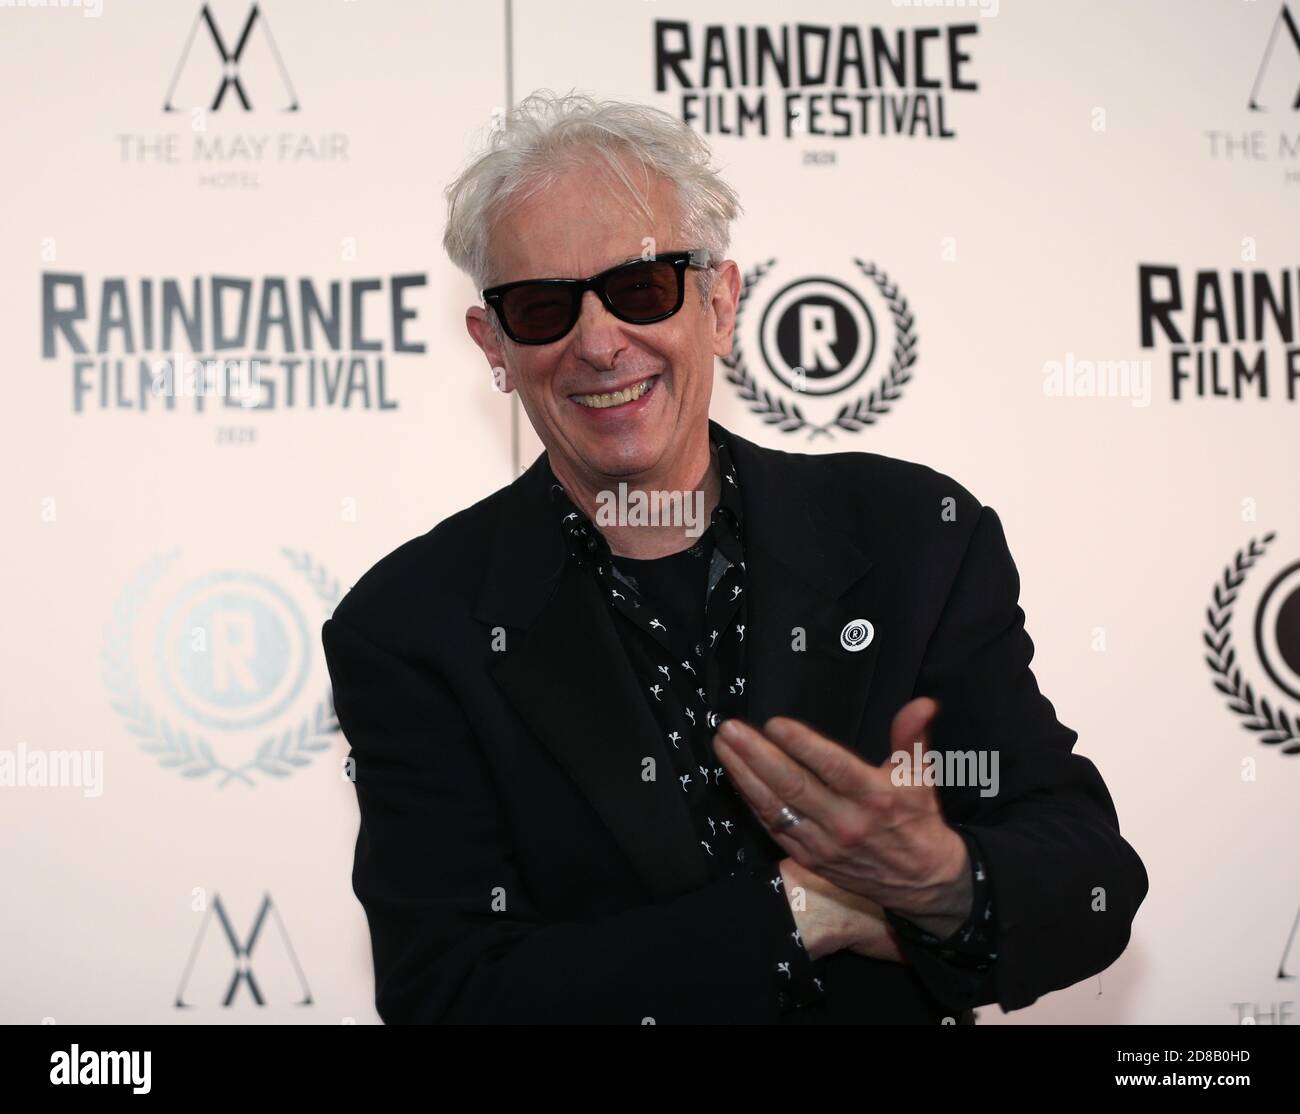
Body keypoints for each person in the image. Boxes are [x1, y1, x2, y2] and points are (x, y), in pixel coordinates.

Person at [321, 89, 1147, 1024]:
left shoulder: (915, 535)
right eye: (544, 307)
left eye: (641, 288)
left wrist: (941, 880)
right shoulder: (411, 625)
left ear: (719, 301)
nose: (598, 342)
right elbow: (452, 995)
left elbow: (1091, 884)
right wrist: (808, 909)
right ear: (495, 345)